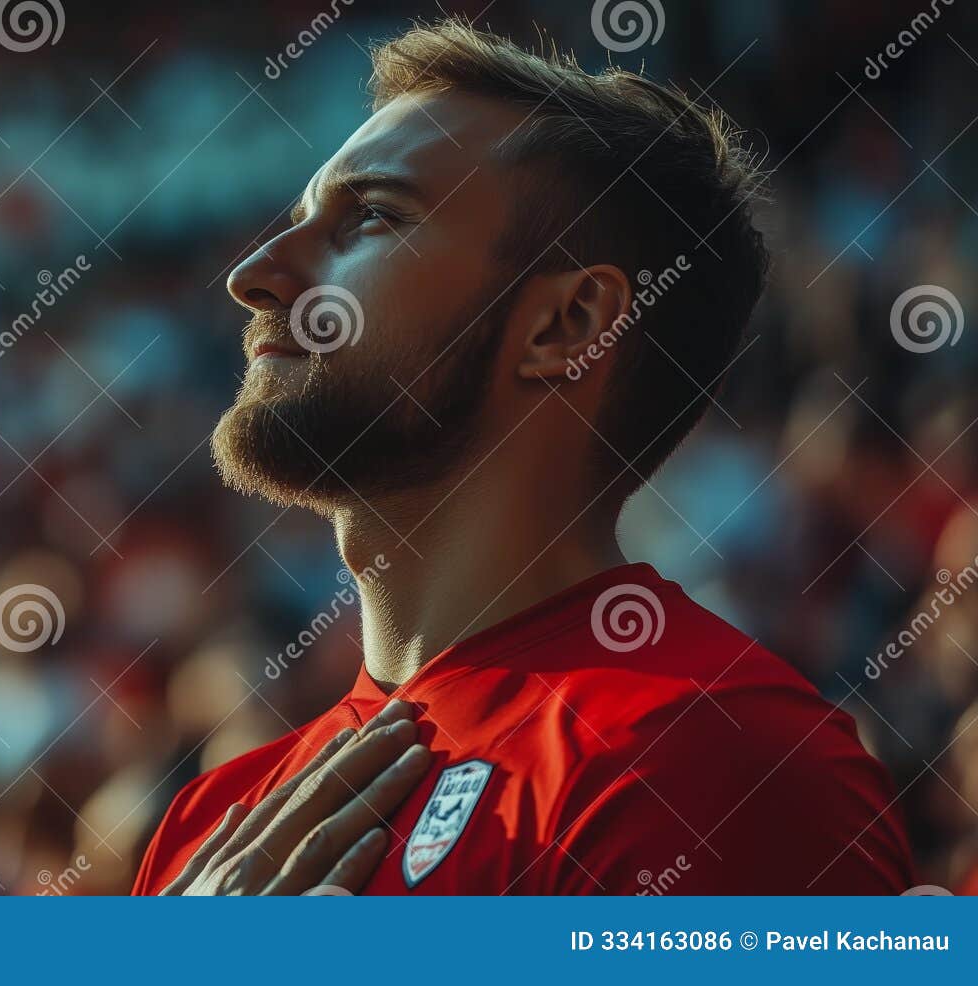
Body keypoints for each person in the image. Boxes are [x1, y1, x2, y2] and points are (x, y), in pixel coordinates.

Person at [131, 17, 914, 895]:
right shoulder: (216, 825)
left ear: (566, 326)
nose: (257, 272)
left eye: (372, 217)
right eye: (298, 217)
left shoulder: (716, 763)